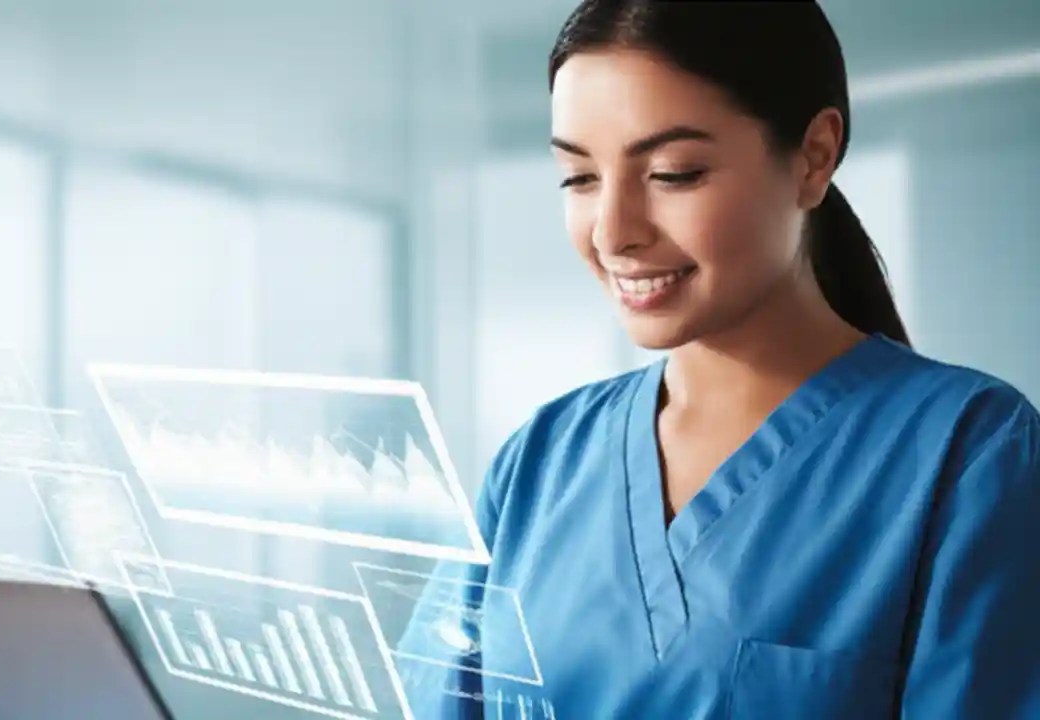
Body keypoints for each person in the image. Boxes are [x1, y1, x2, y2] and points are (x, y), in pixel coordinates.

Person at [395, 1, 1040, 717]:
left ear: (814, 155)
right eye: (578, 179)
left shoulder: (970, 453)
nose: (614, 232)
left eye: (673, 173)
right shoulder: (540, 462)